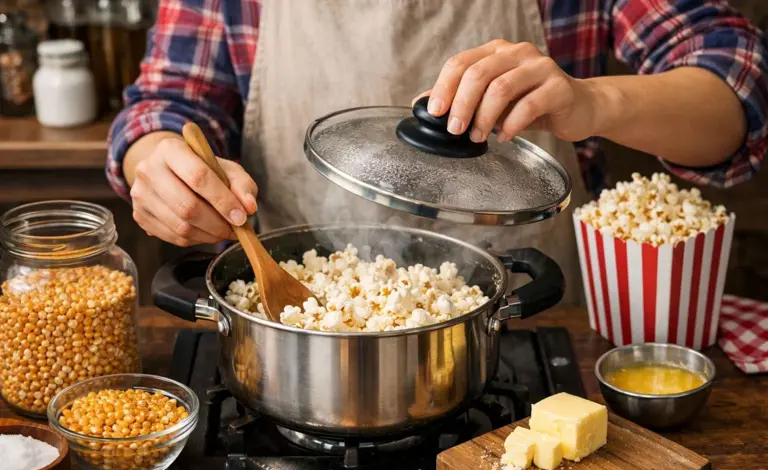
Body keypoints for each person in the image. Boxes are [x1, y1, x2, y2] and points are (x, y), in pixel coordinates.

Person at [107, 0, 768, 306]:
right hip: (296, 308)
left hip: (540, 314)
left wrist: (591, 102)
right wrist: (157, 158)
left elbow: (737, 83)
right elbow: (167, 105)